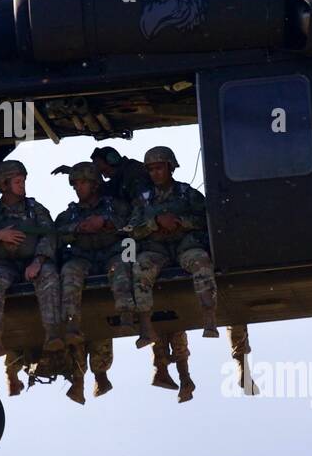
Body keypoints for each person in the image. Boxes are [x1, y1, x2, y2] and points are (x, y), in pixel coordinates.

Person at [118, 145, 215, 404]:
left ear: (170, 166)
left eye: (159, 167)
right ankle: (146, 329)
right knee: (140, 269)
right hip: (156, 251)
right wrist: (155, 223)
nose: (155, 173)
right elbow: (131, 229)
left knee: (202, 264)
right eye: (150, 169)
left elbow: (207, 218)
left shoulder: (187, 193)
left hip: (186, 247)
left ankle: (209, 319)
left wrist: (180, 222)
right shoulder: (143, 199)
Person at [54, 162, 128, 404]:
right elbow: (57, 232)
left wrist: (105, 223)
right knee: (70, 274)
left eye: (83, 183)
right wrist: (78, 228)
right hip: (82, 259)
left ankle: (101, 372)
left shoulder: (113, 206)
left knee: (103, 315)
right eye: (75, 184)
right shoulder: (71, 213)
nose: (78, 188)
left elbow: (130, 221)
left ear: (95, 184)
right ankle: (72, 326)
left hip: (110, 256)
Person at [0, 160, 60, 358]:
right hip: (1, 265)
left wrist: (38, 261)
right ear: (4, 185)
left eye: (23, 181)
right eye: (18, 182)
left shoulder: (34, 209)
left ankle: (53, 334)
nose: (23, 186)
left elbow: (49, 235)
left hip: (33, 262)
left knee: (49, 276)